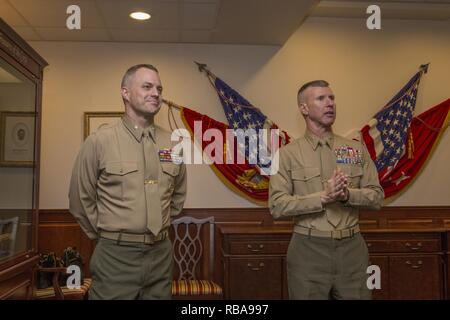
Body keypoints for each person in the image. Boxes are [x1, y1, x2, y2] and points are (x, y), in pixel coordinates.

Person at [69, 64, 187, 300]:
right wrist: (109, 236)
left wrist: (158, 227)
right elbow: (80, 200)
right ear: (125, 92)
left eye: (159, 88)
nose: (156, 93)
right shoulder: (100, 141)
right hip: (115, 256)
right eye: (147, 86)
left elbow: (178, 196)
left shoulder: (173, 143)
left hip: (160, 255)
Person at [269, 80, 384, 300]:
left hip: (353, 252)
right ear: (304, 108)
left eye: (332, 98)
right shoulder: (286, 155)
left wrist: (347, 195)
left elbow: (377, 197)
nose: (330, 103)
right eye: (321, 99)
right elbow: (277, 206)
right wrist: (323, 197)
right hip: (307, 250)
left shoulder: (355, 149)